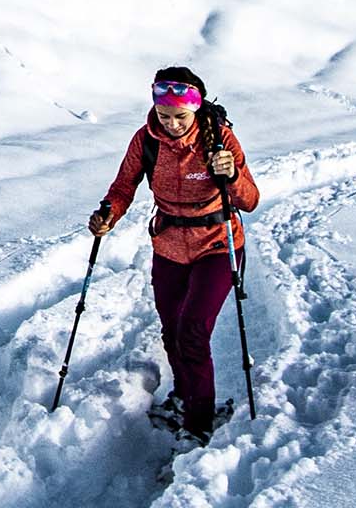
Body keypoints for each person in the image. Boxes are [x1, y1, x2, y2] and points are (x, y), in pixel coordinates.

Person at [89, 65, 260, 441]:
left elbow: (250, 200)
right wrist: (108, 214)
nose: (172, 124)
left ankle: (198, 424)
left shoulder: (220, 142)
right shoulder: (146, 140)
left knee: (193, 332)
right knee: (172, 332)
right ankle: (185, 395)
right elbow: (122, 188)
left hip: (217, 245)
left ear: (196, 109)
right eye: (165, 116)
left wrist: (230, 175)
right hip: (168, 246)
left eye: (180, 117)